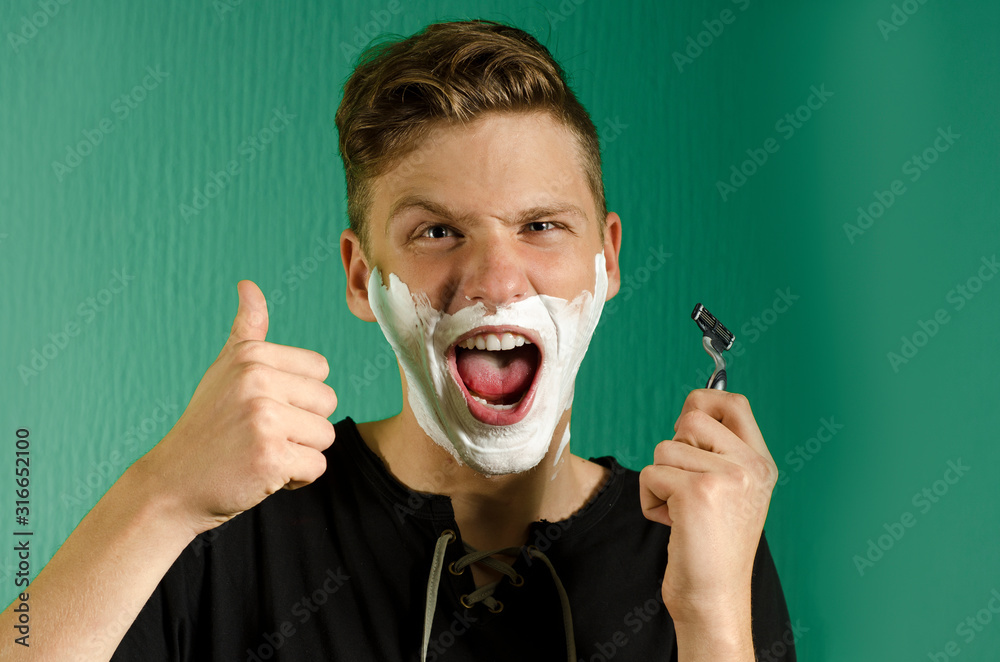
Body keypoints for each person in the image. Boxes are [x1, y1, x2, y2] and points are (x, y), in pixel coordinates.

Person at [0, 19, 794, 661]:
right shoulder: (227, 528)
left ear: (607, 259)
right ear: (359, 278)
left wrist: (713, 614)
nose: (496, 279)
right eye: (438, 231)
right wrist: (160, 494)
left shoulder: (702, 542)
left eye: (541, 226)